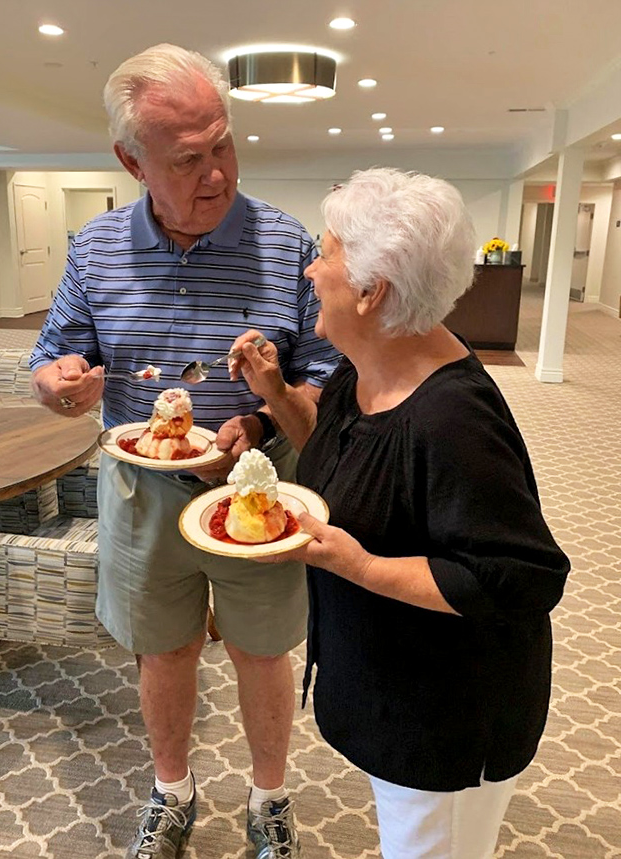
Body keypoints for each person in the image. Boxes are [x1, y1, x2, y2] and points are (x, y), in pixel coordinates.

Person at [29, 43, 338, 859]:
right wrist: (57, 383)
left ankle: (268, 798)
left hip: (255, 487)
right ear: (131, 161)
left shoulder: (285, 241)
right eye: (188, 159)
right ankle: (172, 791)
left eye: (224, 145)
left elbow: (325, 378)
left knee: (263, 648)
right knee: (162, 646)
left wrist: (265, 423)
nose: (217, 174)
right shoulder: (94, 249)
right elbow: (51, 355)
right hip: (140, 489)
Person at [231, 167, 571, 859]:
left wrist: (355, 563)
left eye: (323, 253)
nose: (307, 271)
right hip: (392, 686)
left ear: (370, 291)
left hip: (446, 713)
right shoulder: (369, 367)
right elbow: (348, 462)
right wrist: (274, 390)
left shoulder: (453, 418)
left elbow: (521, 576)